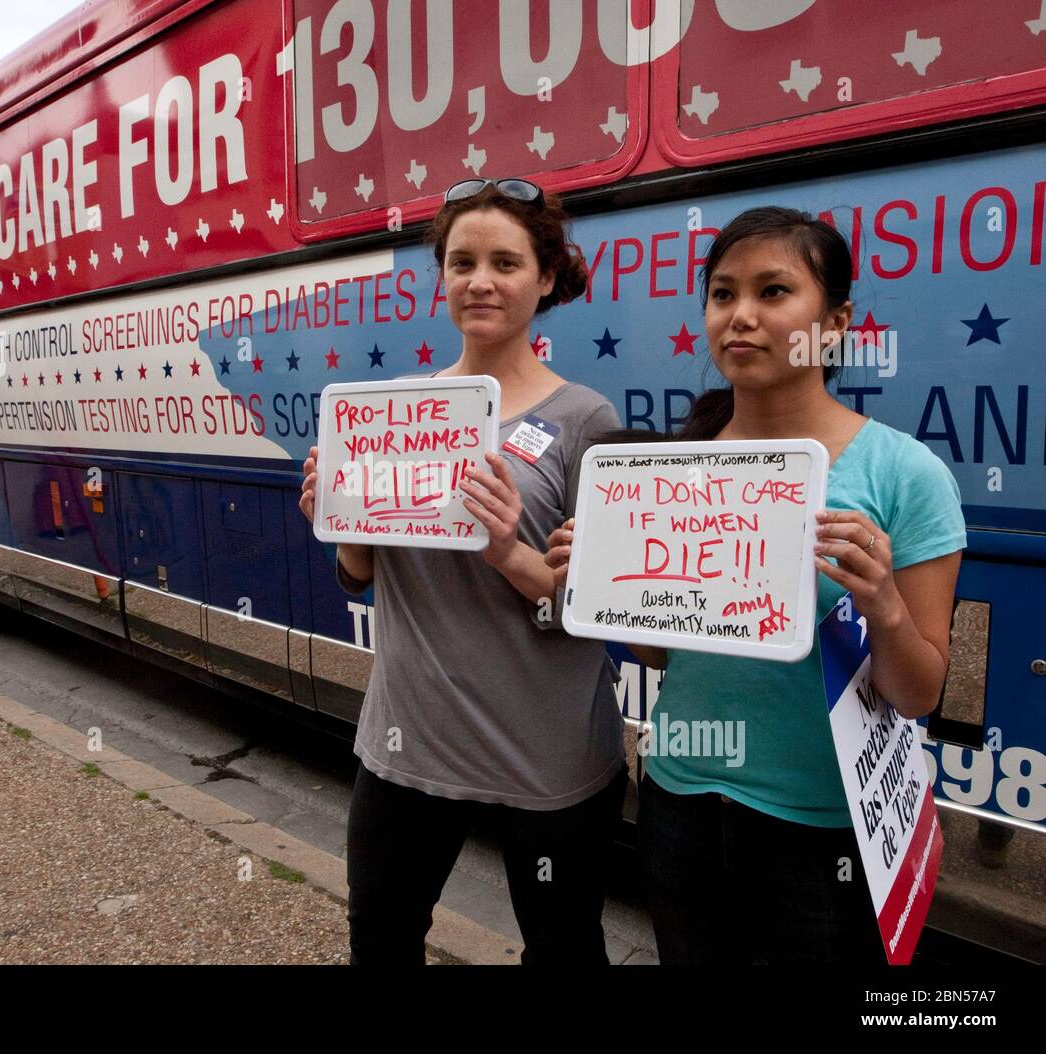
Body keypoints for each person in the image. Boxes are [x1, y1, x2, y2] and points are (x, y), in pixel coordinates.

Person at [545, 206, 966, 964]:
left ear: (834, 322)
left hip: (828, 832)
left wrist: (886, 609)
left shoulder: (907, 475)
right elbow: (662, 658)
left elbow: (919, 693)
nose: (740, 316)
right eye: (722, 293)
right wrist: (606, 582)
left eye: (773, 292)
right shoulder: (675, 469)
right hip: (680, 804)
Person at [299, 178, 626, 965]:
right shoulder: (394, 410)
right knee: (381, 940)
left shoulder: (587, 420)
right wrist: (337, 522)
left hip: (548, 758)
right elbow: (361, 575)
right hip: (409, 747)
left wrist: (509, 551)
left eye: (506, 263)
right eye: (462, 262)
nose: (481, 280)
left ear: (545, 279)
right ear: (442, 277)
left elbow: (599, 607)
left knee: (563, 950)